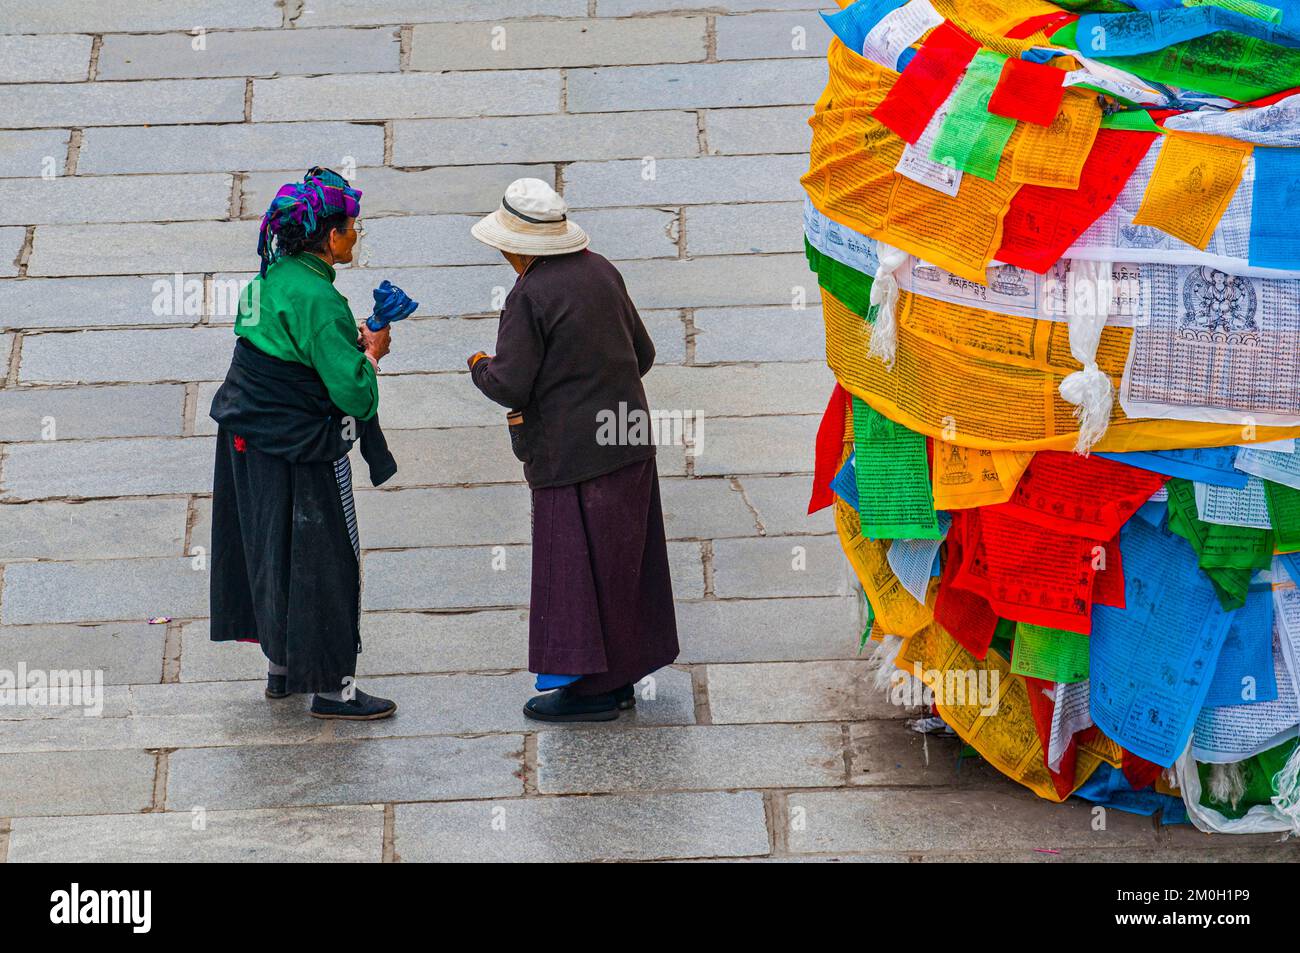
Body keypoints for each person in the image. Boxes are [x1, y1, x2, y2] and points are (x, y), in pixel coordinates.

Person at [467, 178, 680, 722]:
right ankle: (622, 681)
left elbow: (510, 385)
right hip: (628, 438)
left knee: (576, 568)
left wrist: (478, 368)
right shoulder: (602, 269)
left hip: (570, 455)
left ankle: (591, 692)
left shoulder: (529, 296)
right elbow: (644, 353)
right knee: (624, 562)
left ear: (517, 247)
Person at [208, 167, 408, 721]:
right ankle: (333, 689)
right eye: (351, 227)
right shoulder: (321, 301)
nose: (356, 235)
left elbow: (284, 355)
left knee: (269, 547)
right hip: (304, 449)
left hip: (246, 444)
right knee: (327, 559)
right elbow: (354, 395)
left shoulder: (268, 279)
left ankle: (281, 672)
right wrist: (371, 353)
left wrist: (349, 341)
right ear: (327, 236)